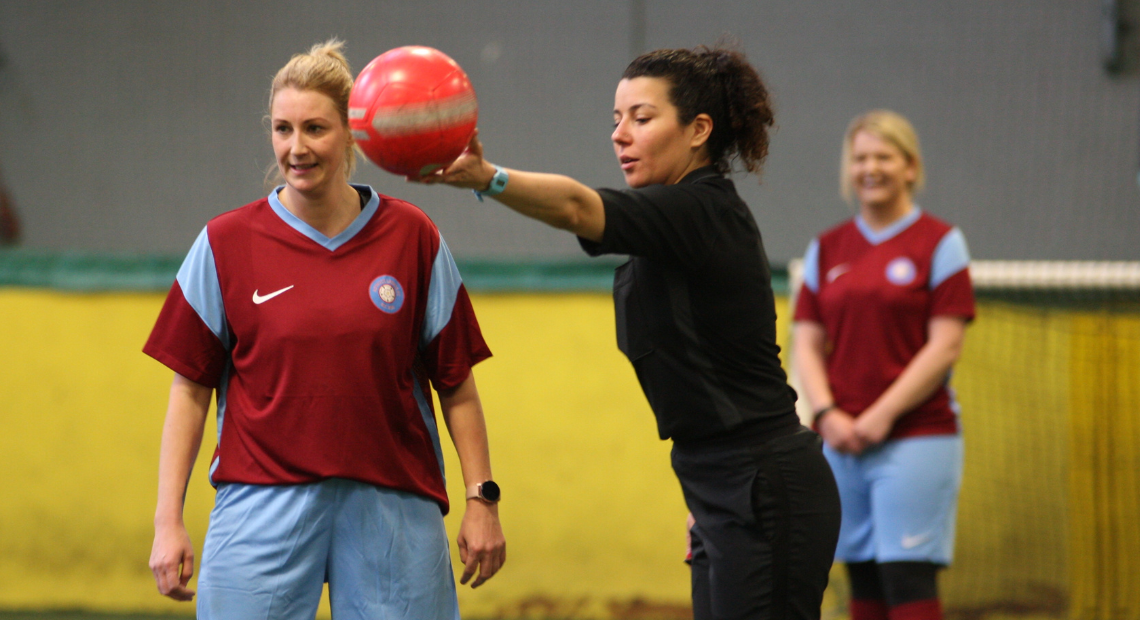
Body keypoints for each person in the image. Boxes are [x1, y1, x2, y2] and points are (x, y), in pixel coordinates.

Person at [424, 46, 840, 620]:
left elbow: (575, 207)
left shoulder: (705, 210)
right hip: (717, 481)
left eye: (641, 118)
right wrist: (705, 495)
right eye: (615, 121)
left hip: (764, 482)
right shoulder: (664, 231)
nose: (620, 135)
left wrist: (486, 178)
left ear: (698, 131)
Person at [144, 40, 505, 620]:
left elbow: (456, 383)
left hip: (396, 505)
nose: (296, 147)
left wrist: (481, 498)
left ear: (352, 133)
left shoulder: (413, 237)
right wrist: (167, 522)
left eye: (315, 128)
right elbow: (189, 390)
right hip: (259, 503)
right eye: (283, 129)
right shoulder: (224, 243)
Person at [791, 110, 973, 620]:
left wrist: (881, 415)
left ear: (910, 167)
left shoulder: (941, 242)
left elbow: (945, 346)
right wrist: (827, 414)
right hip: (841, 440)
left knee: (905, 573)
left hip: (918, 435)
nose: (871, 168)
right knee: (863, 575)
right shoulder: (825, 249)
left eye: (884, 157)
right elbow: (806, 341)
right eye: (861, 157)